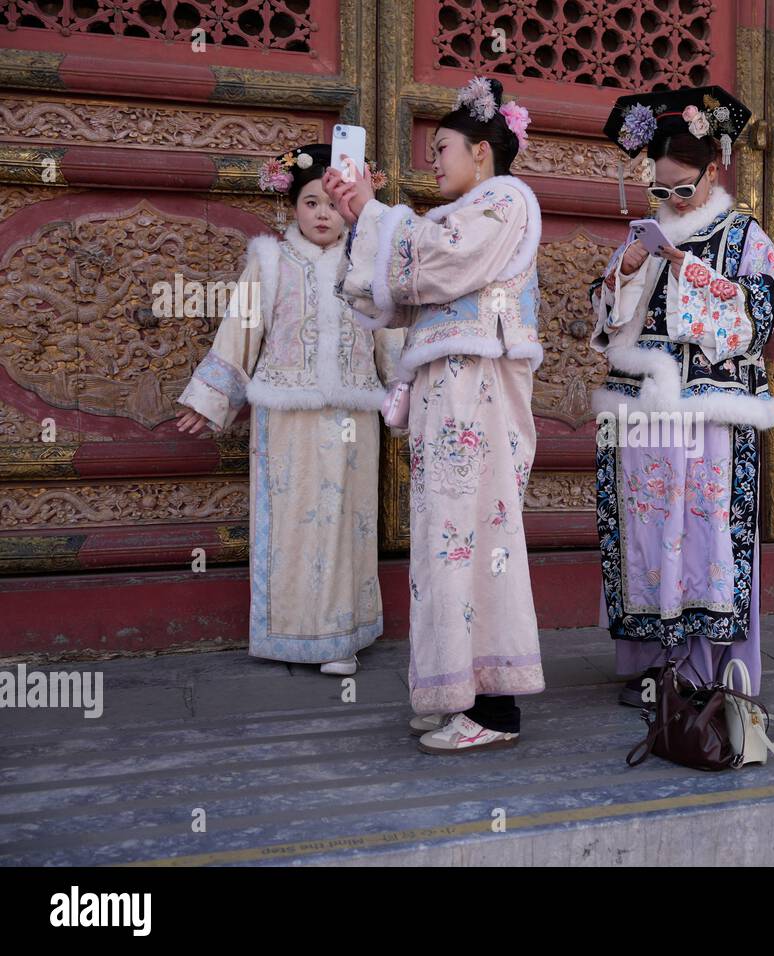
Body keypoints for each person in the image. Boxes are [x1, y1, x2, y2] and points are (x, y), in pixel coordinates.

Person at [324, 76, 545, 753]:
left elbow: (439, 260)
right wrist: (369, 215)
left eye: (442, 148)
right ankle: (459, 690)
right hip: (451, 394)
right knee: (450, 540)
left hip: (475, 392)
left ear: (482, 151)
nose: (435, 163)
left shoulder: (505, 198)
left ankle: (495, 708)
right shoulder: (476, 205)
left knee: (473, 538)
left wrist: (375, 213)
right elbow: (405, 282)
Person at [588, 86, 774, 705]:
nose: (672, 200)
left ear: (714, 168)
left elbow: (757, 317)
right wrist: (622, 275)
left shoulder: (745, 236)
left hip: (709, 413)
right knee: (649, 534)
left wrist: (687, 270)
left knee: (704, 534)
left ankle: (704, 667)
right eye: (661, 189)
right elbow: (607, 322)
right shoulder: (643, 238)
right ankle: (655, 662)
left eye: (683, 188)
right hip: (642, 410)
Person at [175, 144, 403, 675]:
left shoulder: (368, 262)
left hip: (352, 419)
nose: (323, 214)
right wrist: (211, 399)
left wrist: (411, 399)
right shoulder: (269, 260)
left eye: (331, 203)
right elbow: (241, 330)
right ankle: (294, 634)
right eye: (310, 203)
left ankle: (340, 638)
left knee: (347, 525)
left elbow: (392, 339)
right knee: (294, 526)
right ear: (292, 207)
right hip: (287, 420)